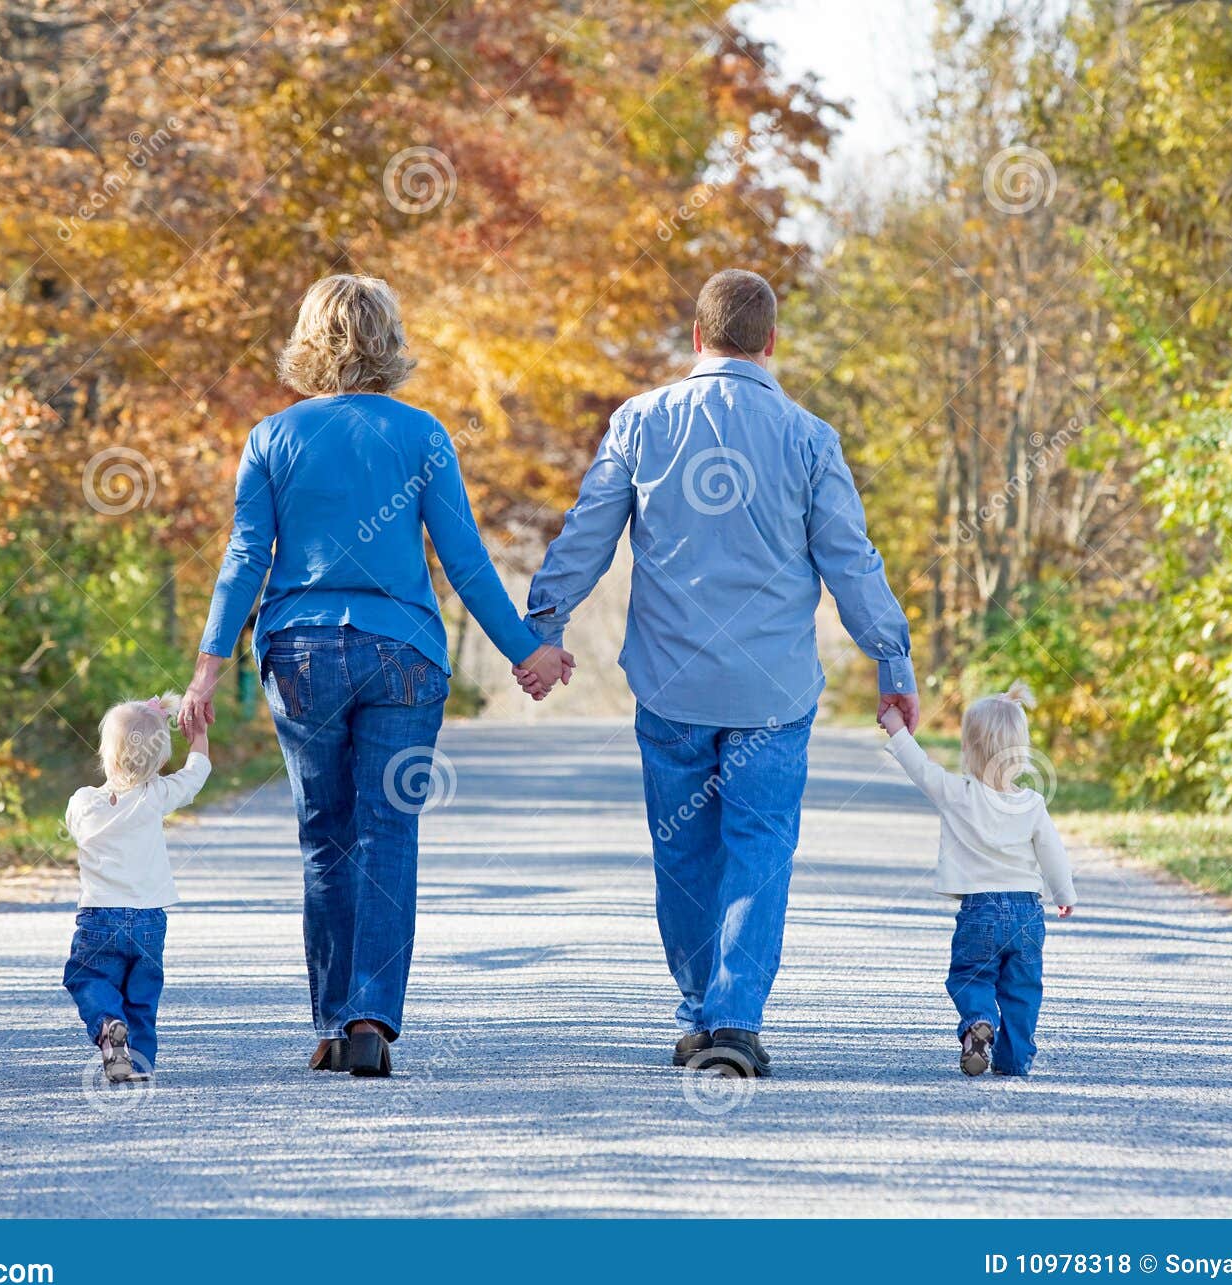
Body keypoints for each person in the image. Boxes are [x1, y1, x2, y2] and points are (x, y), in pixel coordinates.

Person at [517, 268, 916, 1077]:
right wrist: (891, 656)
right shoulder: (809, 437)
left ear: (697, 338)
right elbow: (850, 560)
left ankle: (701, 1009)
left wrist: (545, 623)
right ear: (771, 343)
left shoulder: (640, 423)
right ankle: (734, 1018)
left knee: (683, 849)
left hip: (672, 685)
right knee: (759, 845)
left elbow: (587, 532)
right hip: (773, 690)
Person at [180, 274, 570, 1079]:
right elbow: (462, 558)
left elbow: (246, 557)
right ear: (388, 342)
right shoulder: (423, 434)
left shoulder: (273, 437)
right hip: (403, 655)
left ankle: (328, 1019)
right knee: (388, 829)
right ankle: (368, 1020)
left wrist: (208, 668)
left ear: (309, 342)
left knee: (325, 838)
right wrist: (524, 650)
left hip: (302, 652)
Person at [880, 681, 1077, 1076]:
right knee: (1023, 991)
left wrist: (895, 726)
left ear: (968, 749)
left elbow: (919, 767)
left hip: (980, 912)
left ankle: (978, 1022)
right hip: (1027, 913)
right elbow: (1052, 851)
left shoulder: (957, 793)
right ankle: (1014, 1058)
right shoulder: (1033, 803)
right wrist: (1064, 891)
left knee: (971, 975)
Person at [63, 693, 210, 1083]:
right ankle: (138, 1060)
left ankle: (109, 1025)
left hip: (99, 918)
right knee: (142, 996)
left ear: (105, 754)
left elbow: (79, 827)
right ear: (161, 761)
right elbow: (196, 774)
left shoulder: (82, 803)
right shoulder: (155, 797)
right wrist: (198, 736)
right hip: (149, 919)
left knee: (87, 977)